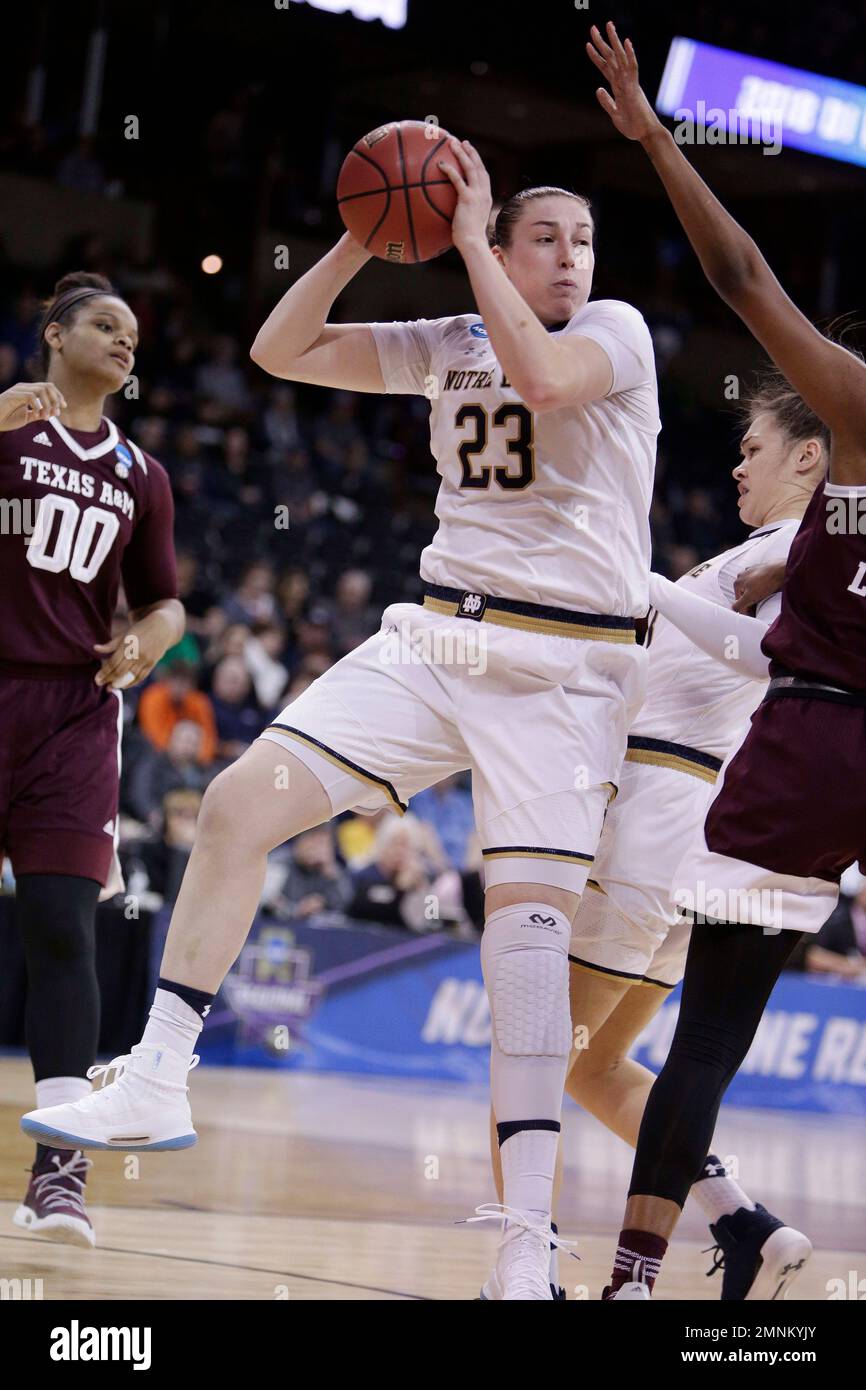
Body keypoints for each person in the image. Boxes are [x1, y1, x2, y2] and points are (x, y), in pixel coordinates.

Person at [23, 147, 660, 1298]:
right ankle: (163, 1069)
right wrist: (366, 238)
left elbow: (547, 381)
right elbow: (280, 348)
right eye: (545, 239)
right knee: (232, 805)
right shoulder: (446, 342)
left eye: (581, 242)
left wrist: (468, 239)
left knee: (519, 953)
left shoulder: (612, 332)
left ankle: (524, 1249)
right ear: (506, 246)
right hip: (440, 633)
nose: (570, 258)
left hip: (569, 665)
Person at [583, 22, 866, 1300]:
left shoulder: (852, 419)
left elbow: (744, 274)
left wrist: (652, 138)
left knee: (702, 1041)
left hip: (802, 747)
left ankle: (635, 1275)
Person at [483, 371, 824, 1300]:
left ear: (808, 455)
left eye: (753, 447)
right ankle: (745, 1222)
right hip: (688, 832)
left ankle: (527, 1260)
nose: (737, 463)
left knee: (532, 1050)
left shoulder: (804, 547)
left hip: (656, 814)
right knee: (595, 1066)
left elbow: (765, 655)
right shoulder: (761, 551)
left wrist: (645, 588)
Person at [0, 271, 184, 1247]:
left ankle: (58, 1173)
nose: (124, 342)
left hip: (74, 713)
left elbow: (165, 597)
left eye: (133, 334)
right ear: (54, 333)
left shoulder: (140, 474)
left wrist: (150, 638)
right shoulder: (6, 431)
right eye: (104, 326)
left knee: (64, 930)